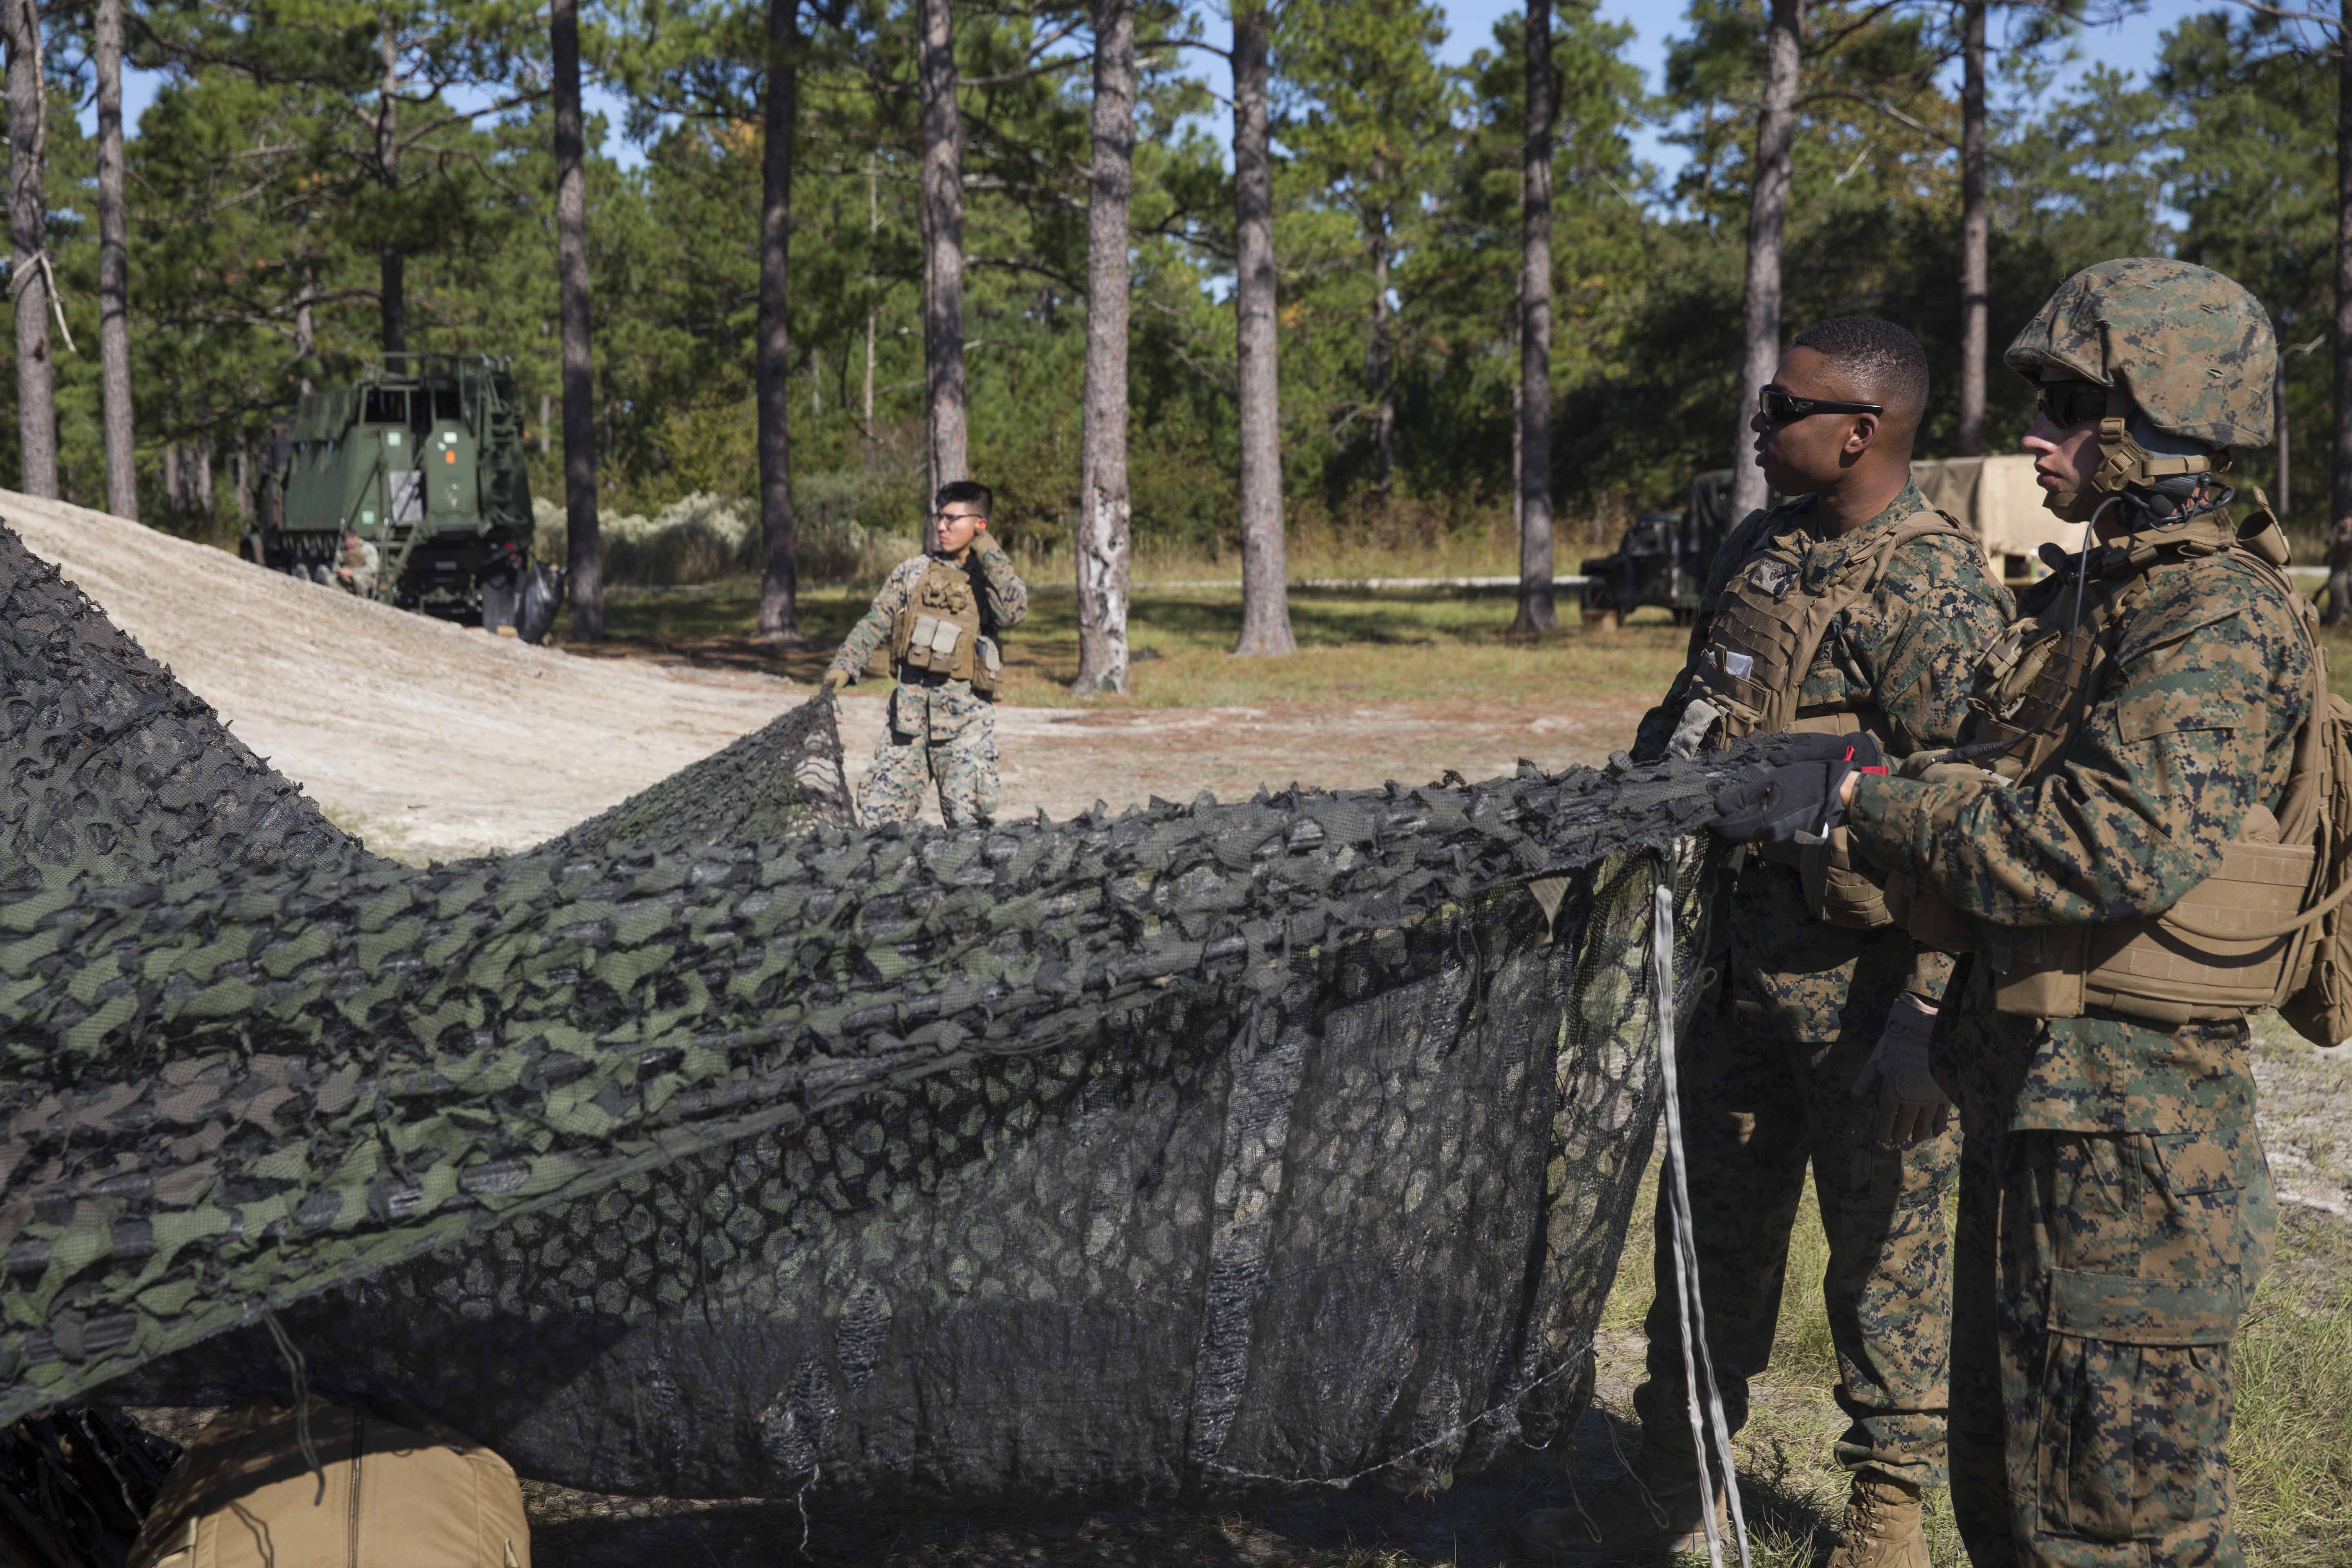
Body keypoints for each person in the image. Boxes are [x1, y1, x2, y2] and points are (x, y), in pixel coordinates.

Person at [1708, 259, 2300, 1568]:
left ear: (2163, 420)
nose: (2037, 433)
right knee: (2008, 1501)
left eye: (2074, 405)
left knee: (2111, 1529)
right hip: (2038, 1104)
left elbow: (2104, 846)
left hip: (2134, 1147)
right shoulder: (2105, 596)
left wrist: (1866, 796)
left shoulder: (2213, 615)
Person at [1513, 318, 2013, 1568]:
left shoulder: (1935, 588)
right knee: (1707, 1245)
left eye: (1783, 403)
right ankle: (1671, 1475)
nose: (1758, 418)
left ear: (1860, 429)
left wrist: (1919, 1028)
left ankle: (1886, 1519)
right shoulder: (1759, 550)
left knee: (1884, 1269)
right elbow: (1687, 722)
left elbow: (1974, 824)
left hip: (1872, 997)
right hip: (1735, 981)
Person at [824, 480, 1027, 828]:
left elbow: (1013, 613)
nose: (941, 526)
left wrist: (988, 549)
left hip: (964, 728)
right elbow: (875, 622)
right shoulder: (913, 572)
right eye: (939, 518)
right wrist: (844, 666)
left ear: (980, 524)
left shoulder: (990, 580)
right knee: (878, 826)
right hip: (908, 724)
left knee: (969, 832)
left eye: (952, 519)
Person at [334, 530, 379, 598]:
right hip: (346, 575)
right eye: (346, 542)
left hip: (366, 577)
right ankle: (343, 599)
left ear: (356, 538)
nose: (347, 545)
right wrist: (341, 571)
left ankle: (363, 601)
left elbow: (372, 569)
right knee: (330, 578)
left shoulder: (367, 548)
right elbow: (336, 565)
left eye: (349, 542)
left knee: (357, 578)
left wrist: (353, 572)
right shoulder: (343, 550)